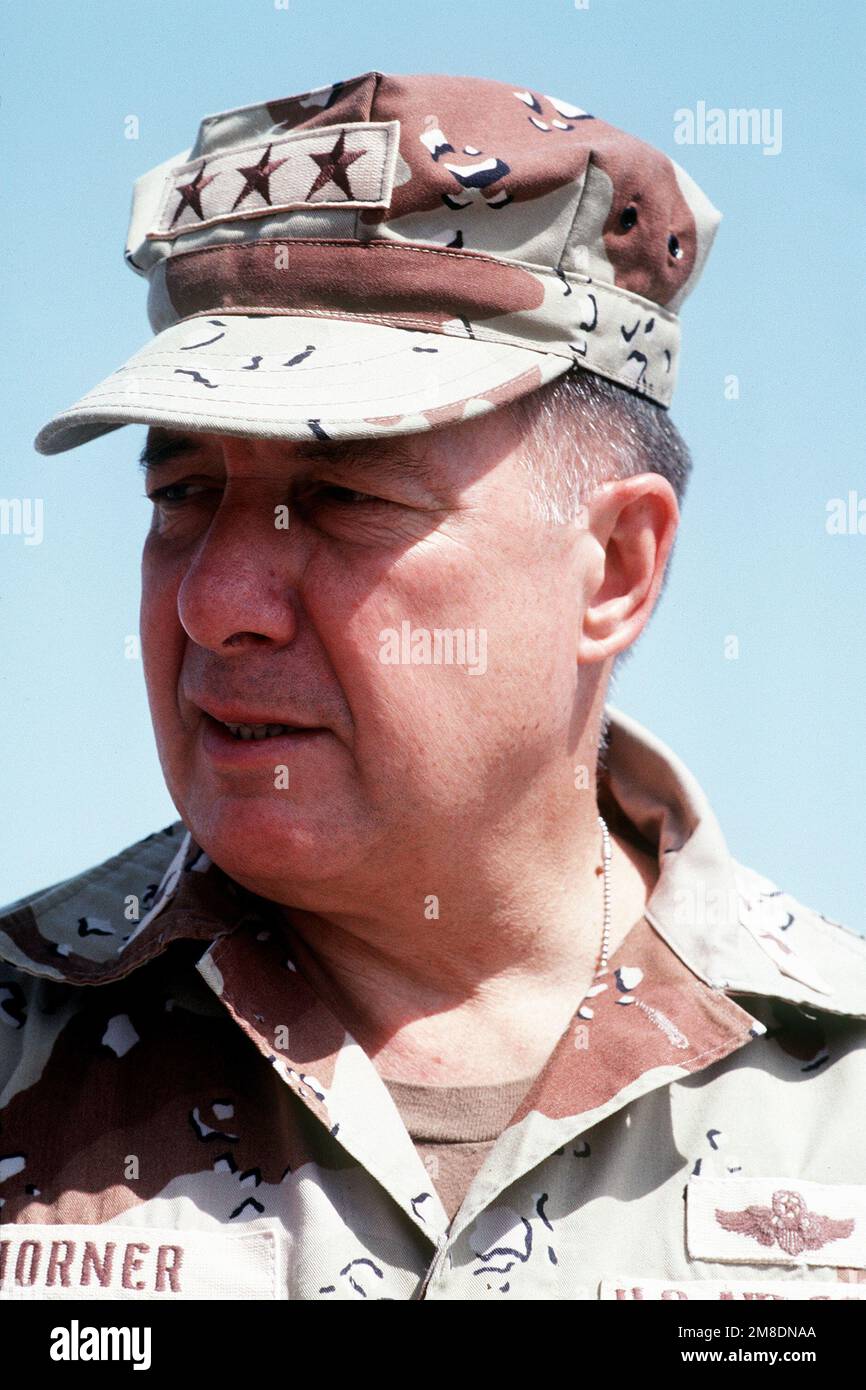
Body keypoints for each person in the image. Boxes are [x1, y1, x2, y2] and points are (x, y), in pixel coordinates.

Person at [2, 69, 864, 1303]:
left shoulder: (837, 1099)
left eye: (346, 499)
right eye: (180, 494)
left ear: (614, 568)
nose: (215, 602)